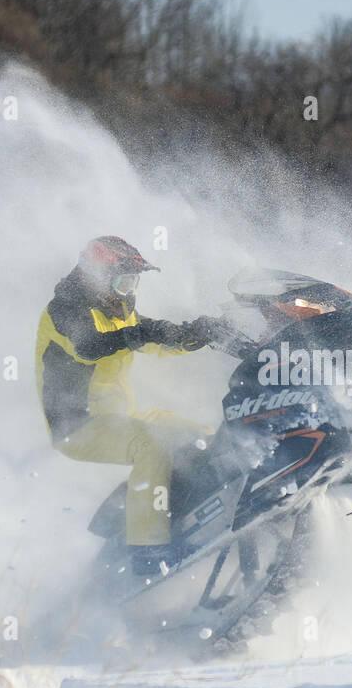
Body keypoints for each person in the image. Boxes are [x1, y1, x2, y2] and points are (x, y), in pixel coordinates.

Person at [35, 235, 226, 574]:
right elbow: (88, 347)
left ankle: (202, 506)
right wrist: (139, 336)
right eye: (124, 281)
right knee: (151, 444)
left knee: (200, 436)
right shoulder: (63, 310)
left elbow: (153, 336)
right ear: (95, 278)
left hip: (118, 417)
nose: (129, 290)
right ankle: (147, 552)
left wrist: (199, 334)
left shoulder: (118, 312)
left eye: (133, 281)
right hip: (77, 426)